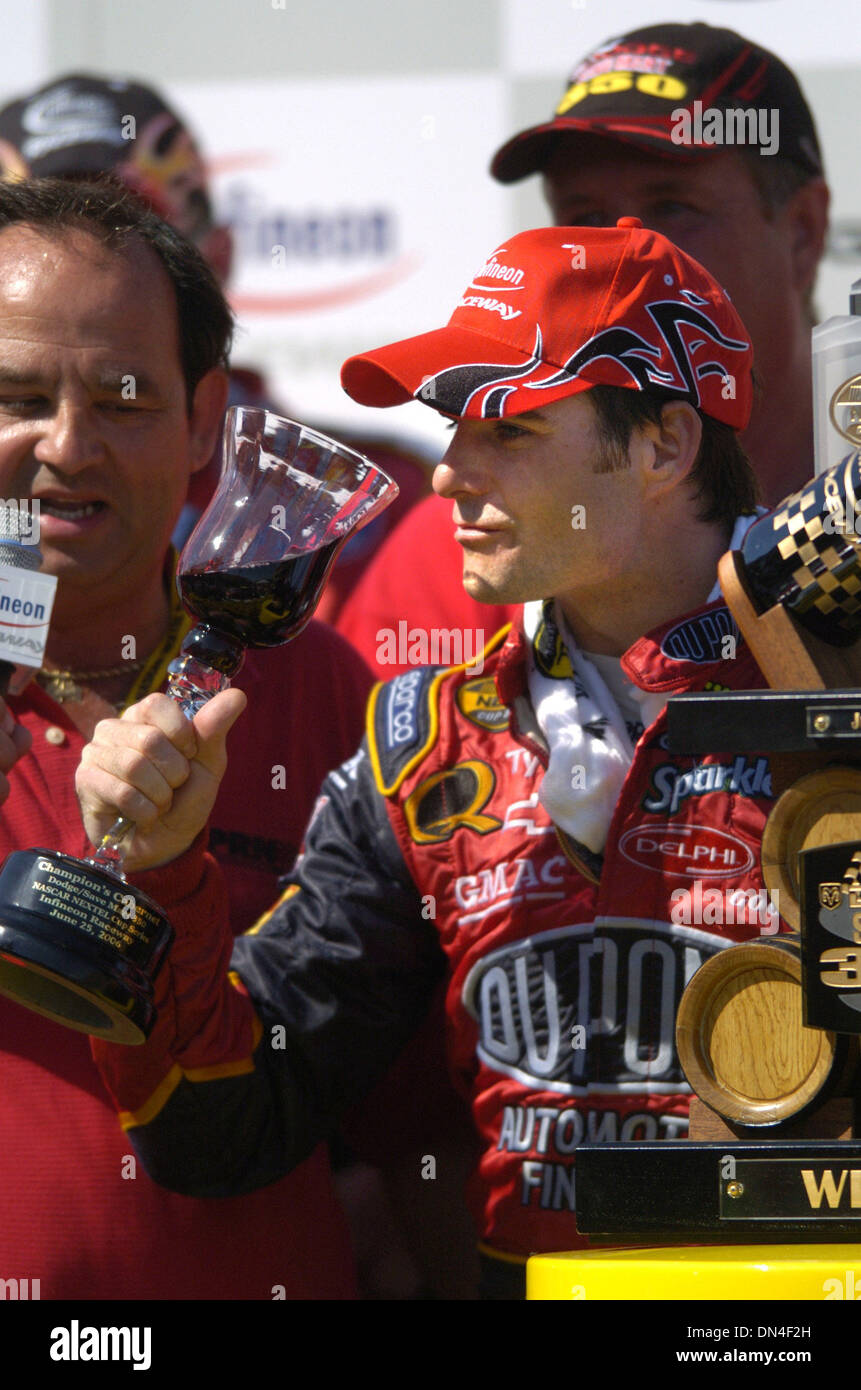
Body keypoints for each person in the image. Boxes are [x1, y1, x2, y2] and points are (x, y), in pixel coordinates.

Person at [79, 217, 786, 1299]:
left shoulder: (831, 690)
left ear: (664, 446)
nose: (448, 474)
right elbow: (225, 1122)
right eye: (454, 425)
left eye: (508, 428)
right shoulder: (422, 748)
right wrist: (169, 873)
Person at [0, 178, 375, 1299]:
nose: (67, 447)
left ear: (205, 414)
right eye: (16, 395)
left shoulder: (320, 686)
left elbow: (427, 1124)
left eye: (121, 399)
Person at [335, 19, 830, 671]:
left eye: (672, 204)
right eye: (585, 219)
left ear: (801, 231)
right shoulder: (459, 542)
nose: (629, 247)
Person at [0, 72, 430, 607]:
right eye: (34, 249)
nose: (82, 277)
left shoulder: (359, 504)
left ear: (219, 258)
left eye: (138, 239)